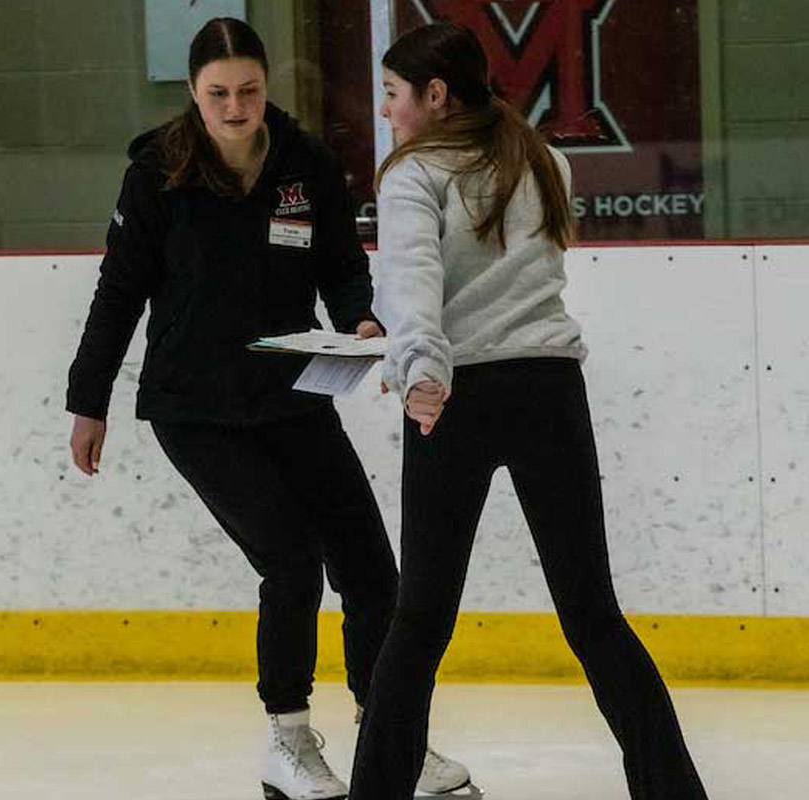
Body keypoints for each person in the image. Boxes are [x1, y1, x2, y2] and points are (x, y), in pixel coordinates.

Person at [66, 17, 468, 800]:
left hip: (293, 395)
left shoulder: (306, 164)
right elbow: (119, 293)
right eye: (218, 93)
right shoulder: (158, 172)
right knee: (289, 562)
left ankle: (394, 742)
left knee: (371, 570)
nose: (235, 106)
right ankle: (288, 741)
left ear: (266, 88)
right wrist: (90, 402)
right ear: (193, 93)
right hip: (195, 410)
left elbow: (344, 267)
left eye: (249, 90)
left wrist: (362, 321)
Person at [348, 22, 711, 800]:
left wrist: (419, 371)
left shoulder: (414, 175)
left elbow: (413, 279)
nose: (387, 113)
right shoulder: (540, 158)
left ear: (435, 95)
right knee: (592, 615)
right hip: (548, 391)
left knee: (418, 624)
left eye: (392, 95)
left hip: (460, 396)